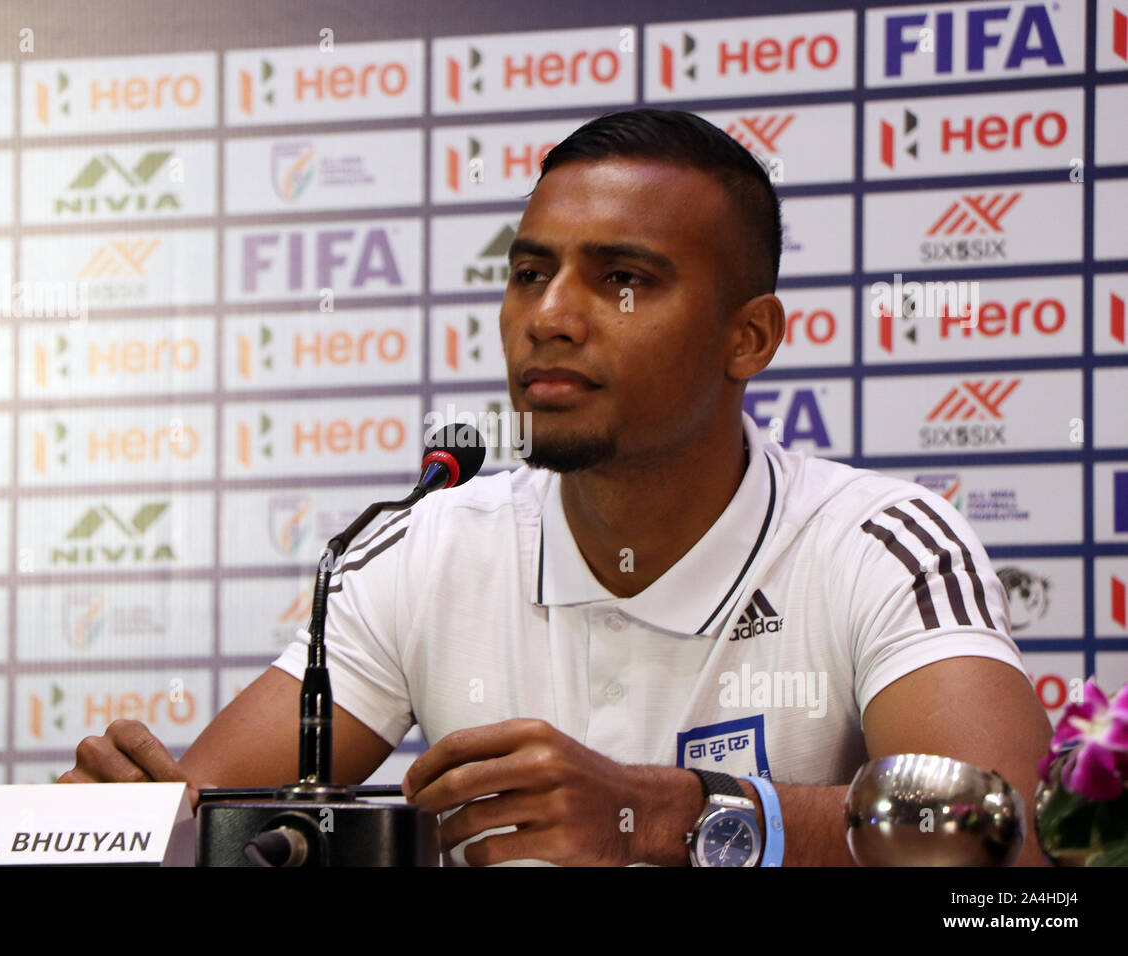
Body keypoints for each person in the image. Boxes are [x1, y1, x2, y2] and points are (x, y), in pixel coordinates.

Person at [61, 109, 1052, 867]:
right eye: (531, 273)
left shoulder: (879, 542)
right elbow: (209, 817)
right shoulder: (423, 546)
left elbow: (1004, 836)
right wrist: (128, 831)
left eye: (622, 279)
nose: (551, 317)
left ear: (748, 337)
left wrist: (669, 813)